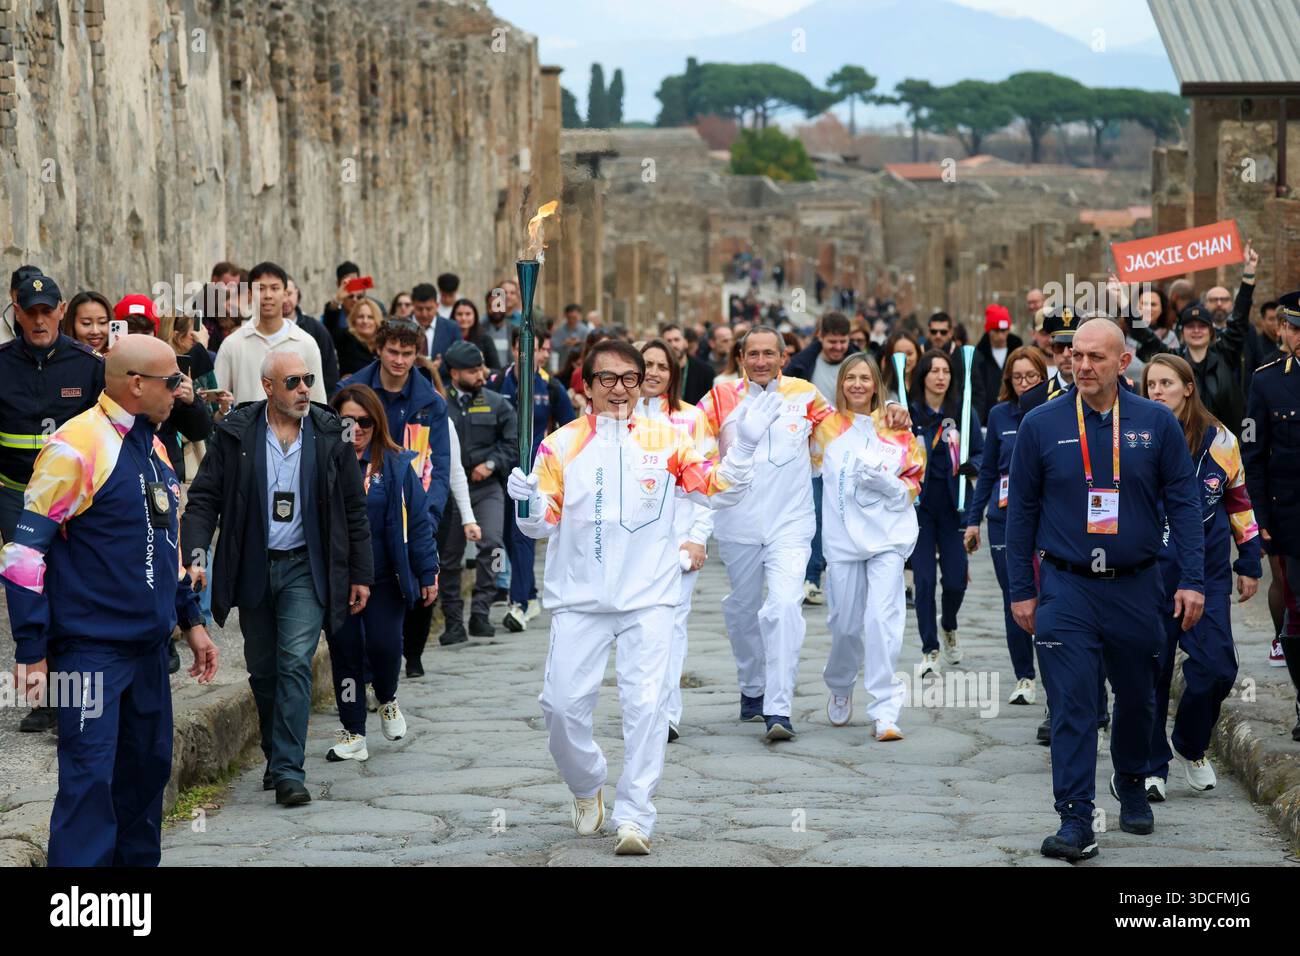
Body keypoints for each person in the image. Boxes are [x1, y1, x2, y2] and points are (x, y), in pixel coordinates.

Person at [507, 338, 780, 855]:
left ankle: (635, 815)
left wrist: (741, 449)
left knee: (648, 705)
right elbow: (541, 526)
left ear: (640, 385)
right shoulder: (559, 446)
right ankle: (588, 784)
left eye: (629, 379)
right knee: (561, 707)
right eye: (606, 379)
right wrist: (526, 507)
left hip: (649, 598)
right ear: (587, 386)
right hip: (580, 601)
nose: (618, 389)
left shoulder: (667, 441)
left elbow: (715, 489)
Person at [2, 334, 217, 865]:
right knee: (89, 786)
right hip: (90, 653)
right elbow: (23, 557)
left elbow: (163, 545)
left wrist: (190, 622)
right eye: (172, 381)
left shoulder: (155, 444)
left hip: (147, 653)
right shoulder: (76, 445)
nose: (182, 389)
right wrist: (31, 650)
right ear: (136, 385)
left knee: (145, 779)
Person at [1008, 318, 1204, 862]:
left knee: (1139, 697)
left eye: (1097, 357)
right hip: (1066, 588)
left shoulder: (1155, 424)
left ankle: (1133, 780)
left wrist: (1191, 578)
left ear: (1124, 364)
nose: (1084, 366)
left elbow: (1185, 503)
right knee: (1072, 704)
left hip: (1137, 586)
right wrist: (1022, 590)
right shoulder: (1041, 423)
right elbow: (1021, 510)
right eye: (1077, 356)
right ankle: (1075, 819)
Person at [699, 326, 911, 740]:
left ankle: (778, 709)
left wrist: (891, 410)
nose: (761, 361)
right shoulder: (720, 397)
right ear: (741, 357)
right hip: (738, 524)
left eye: (769, 354)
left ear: (783, 357)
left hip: (790, 526)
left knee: (782, 608)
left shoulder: (805, 395)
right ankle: (752, 686)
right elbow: (697, 446)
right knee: (743, 611)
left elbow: (852, 424)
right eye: (753, 354)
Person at [181, 350, 373, 806]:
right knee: (263, 669)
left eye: (307, 379)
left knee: (293, 663)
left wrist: (360, 573)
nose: (304, 388)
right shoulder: (235, 433)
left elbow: (353, 508)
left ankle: (289, 770)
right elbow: (205, 499)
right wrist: (195, 554)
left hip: (306, 567)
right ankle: (274, 754)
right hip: (252, 565)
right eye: (293, 382)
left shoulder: (331, 433)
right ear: (268, 388)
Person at [1141, 354, 1260, 798]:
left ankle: (1190, 745)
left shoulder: (1221, 440)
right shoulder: (1133, 436)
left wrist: (1249, 558)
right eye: (1150, 384)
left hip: (1206, 574)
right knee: (1150, 672)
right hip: (1150, 574)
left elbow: (1239, 501)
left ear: (1188, 387)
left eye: (1166, 383)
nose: (1156, 391)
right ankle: (1152, 766)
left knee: (1217, 669)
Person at [813, 354, 924, 741]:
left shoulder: (895, 427)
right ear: (841, 383)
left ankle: (884, 710)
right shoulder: (824, 428)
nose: (857, 385)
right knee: (844, 624)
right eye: (850, 378)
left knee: (882, 621)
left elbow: (914, 481)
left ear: (877, 385)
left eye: (865, 378)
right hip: (843, 542)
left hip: (888, 538)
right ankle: (841, 684)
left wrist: (890, 485)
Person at [325, 384, 438, 761]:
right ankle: (352, 730)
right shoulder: (323, 463)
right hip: (338, 579)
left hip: (386, 578)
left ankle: (387, 697)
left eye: (365, 421)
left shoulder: (395, 465)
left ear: (377, 423)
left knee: (386, 647)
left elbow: (418, 523)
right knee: (346, 655)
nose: (356, 428)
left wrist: (427, 572)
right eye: (347, 420)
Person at [334, 320, 450, 675]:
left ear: (417, 355)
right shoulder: (349, 392)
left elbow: (439, 465)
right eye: (393, 352)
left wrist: (426, 519)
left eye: (407, 353)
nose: (399, 360)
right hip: (361, 508)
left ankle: (406, 657)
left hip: (413, 508)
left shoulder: (430, 402)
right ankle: (368, 676)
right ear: (379, 350)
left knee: (413, 588)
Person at [635, 338, 715, 742]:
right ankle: (642, 705)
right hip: (632, 544)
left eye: (661, 366)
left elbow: (708, 484)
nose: (653, 372)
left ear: (673, 373)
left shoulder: (691, 420)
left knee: (672, 625)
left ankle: (666, 714)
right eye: (646, 364)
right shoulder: (618, 416)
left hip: (679, 541)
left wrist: (698, 537)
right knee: (638, 629)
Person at [964, 347, 1046, 705]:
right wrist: (973, 521)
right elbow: (985, 472)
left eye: (1031, 376)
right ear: (1008, 381)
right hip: (1003, 518)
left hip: (1044, 519)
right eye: (1018, 377)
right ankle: (1024, 677)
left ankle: (1054, 675)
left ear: (1043, 377)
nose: (1025, 383)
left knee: (1048, 598)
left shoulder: (1052, 413)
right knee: (1015, 596)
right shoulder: (999, 415)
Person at [489, 328, 575, 631]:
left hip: (535, 475)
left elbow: (571, 428)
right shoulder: (496, 382)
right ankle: (530, 593)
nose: (529, 356)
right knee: (503, 537)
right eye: (522, 350)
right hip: (500, 471)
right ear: (515, 351)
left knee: (521, 536)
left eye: (535, 350)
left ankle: (519, 604)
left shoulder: (551, 387)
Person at [1242, 291, 1300, 741]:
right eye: (1293, 328)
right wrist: (1258, 515)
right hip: (1290, 516)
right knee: (1297, 613)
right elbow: (1253, 455)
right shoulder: (1267, 382)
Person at [1130, 242, 1258, 434]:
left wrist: (1249, 273)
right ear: (1182, 332)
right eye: (1190, 326)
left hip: (1223, 441)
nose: (1196, 331)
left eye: (1202, 326)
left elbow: (1238, 320)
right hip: (1183, 440)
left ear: (1211, 332)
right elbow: (1146, 337)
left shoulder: (1225, 353)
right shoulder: (1174, 359)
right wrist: (1124, 303)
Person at [908, 348, 983, 674]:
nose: (940, 377)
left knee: (956, 582)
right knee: (924, 582)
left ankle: (948, 624)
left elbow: (983, 454)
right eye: (933, 370)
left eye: (946, 371)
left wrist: (971, 465)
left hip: (955, 509)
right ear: (922, 375)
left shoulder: (964, 413)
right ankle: (930, 649)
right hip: (920, 510)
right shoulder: (910, 414)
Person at [438, 341, 516, 644]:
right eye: (472, 370)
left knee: (493, 544)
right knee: (448, 557)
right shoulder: (438, 403)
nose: (481, 374)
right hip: (450, 492)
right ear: (455, 373)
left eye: (481, 367)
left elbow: (511, 442)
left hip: (487, 487)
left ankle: (481, 611)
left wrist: (492, 463)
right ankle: (453, 620)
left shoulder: (497, 403)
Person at [215, 262, 326, 406]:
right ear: (249, 294)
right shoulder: (233, 344)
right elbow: (217, 400)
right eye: (260, 289)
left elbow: (318, 403)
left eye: (274, 288)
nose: (267, 295)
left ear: (285, 293)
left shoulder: (305, 343)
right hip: (246, 428)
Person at [970, 304, 1023, 426]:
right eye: (996, 331)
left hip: (1016, 417)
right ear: (988, 330)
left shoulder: (1018, 353)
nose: (1000, 335)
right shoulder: (978, 356)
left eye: (1004, 331)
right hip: (986, 420)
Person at [286, 278, 340, 396]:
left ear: (297, 292)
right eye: (282, 294)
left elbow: (329, 371)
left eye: (289, 294)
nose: (285, 300)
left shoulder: (315, 328)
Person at [410, 282, 459, 376]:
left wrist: (437, 368)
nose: (424, 314)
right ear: (413, 306)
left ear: (437, 306)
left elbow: (458, 361)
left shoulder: (451, 328)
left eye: (429, 309)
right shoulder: (402, 327)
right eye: (419, 309)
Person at [660, 323, 714, 406]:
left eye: (677, 340)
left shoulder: (705, 371)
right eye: (669, 341)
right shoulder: (658, 372)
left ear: (685, 342)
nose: (673, 345)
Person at [333, 297, 382, 377]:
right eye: (360, 317)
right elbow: (332, 325)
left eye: (370, 317)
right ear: (353, 320)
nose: (365, 321)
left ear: (377, 320)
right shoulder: (346, 339)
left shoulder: (383, 344)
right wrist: (337, 300)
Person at [451, 297, 501, 371]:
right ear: (453, 316)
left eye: (468, 314)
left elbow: (497, 370)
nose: (463, 318)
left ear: (475, 316)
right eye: (459, 314)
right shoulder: (447, 337)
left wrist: (485, 371)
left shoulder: (485, 339)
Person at [2, 264, 43, 345]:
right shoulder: (1, 329)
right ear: (11, 294)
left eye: (33, 292)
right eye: (21, 292)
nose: (27, 298)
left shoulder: (53, 327)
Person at [879, 330, 920, 403]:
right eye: (899, 354)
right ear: (890, 356)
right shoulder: (881, 385)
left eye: (910, 354)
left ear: (918, 355)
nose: (905, 359)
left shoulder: (926, 382)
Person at [552, 303, 589, 374]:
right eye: (570, 318)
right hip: (563, 367)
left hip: (580, 367)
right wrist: (564, 343)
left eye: (574, 318)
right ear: (566, 315)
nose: (572, 320)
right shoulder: (559, 331)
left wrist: (579, 344)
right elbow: (553, 348)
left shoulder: (584, 330)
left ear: (579, 316)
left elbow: (588, 347)